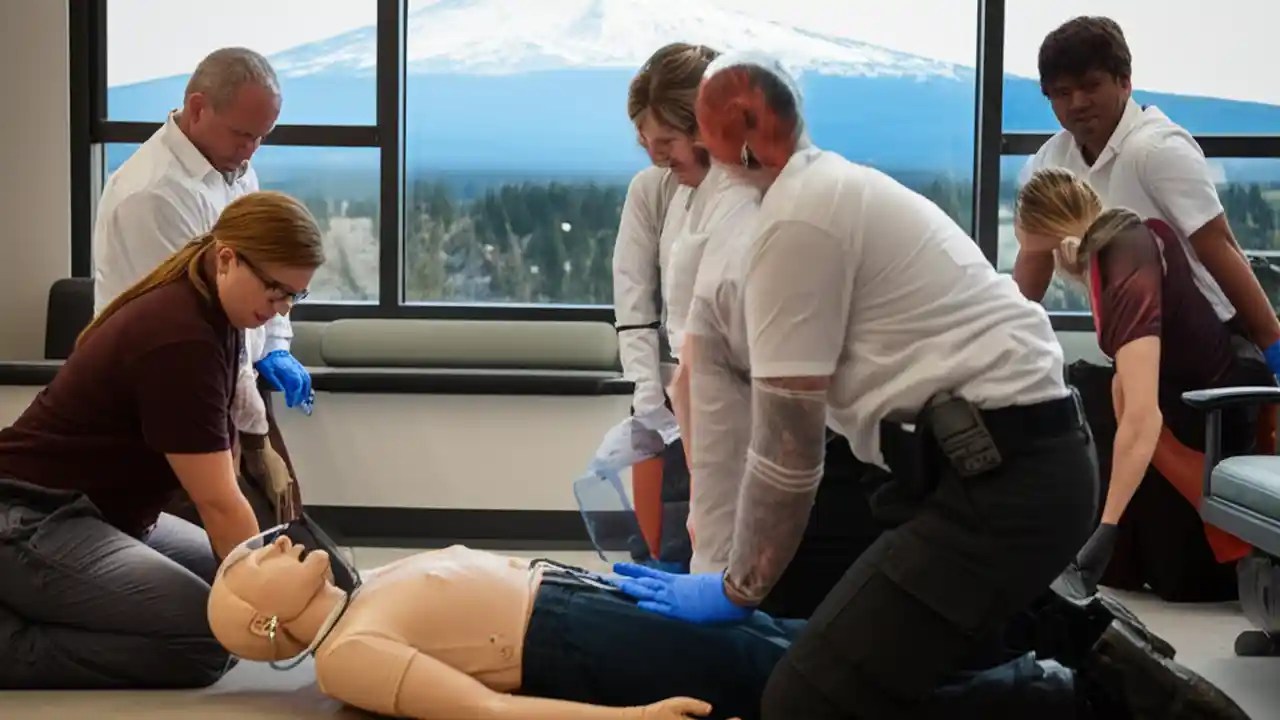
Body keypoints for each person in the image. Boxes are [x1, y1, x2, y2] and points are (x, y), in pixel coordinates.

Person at [608, 52, 1248, 719]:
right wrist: (719, 565)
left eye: (670, 148)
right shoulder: (775, 207)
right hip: (957, 464)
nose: (663, 168)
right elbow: (716, 392)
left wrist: (731, 584)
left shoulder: (793, 222)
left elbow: (783, 448)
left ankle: (1082, 695)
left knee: (808, 698)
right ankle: (1083, 649)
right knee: (826, 619)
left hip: (1005, 472)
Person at [0, 191, 326, 690]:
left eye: (294, 297)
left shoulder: (217, 312)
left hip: (105, 516)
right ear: (227, 259)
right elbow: (218, 503)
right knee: (213, 638)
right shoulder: (180, 336)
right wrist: (266, 597)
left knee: (227, 598)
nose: (280, 308)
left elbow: (224, 461)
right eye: (275, 290)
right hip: (31, 518)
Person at [209, 525, 801, 720]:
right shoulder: (345, 656)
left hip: (575, 597)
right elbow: (486, 709)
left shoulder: (365, 590)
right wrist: (634, 718)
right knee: (770, 668)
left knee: (776, 635)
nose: (278, 542)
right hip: (567, 638)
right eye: (258, 561)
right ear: (262, 624)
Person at [1016, 168, 1271, 602]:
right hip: (1198, 396)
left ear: (1043, 232)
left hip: (1203, 414)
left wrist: (1105, 532)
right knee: (1098, 386)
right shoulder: (1123, 234)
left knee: (1106, 394)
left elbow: (1142, 413)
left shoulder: (1123, 260)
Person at [1014, 16, 1280, 376]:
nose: (1077, 103)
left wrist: (1274, 352)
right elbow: (1034, 254)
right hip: (1132, 340)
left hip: (1205, 337)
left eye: (1091, 86)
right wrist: (1005, 333)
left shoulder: (1156, 149)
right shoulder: (1051, 160)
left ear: (1124, 82)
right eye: (1062, 93)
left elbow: (1219, 246)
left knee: (1135, 240)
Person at [92, 47, 315, 434]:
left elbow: (266, 268)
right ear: (198, 109)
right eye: (242, 134)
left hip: (224, 380)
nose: (251, 149)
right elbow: (191, 321)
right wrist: (251, 420)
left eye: (261, 137)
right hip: (161, 394)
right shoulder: (152, 195)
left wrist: (275, 344)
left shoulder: (235, 168)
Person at [611, 42, 720, 570]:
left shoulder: (755, 194)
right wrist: (647, 397)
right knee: (657, 552)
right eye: (644, 140)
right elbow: (634, 300)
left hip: (728, 402)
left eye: (666, 141)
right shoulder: (654, 190)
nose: (655, 154)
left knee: (709, 551)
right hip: (671, 399)